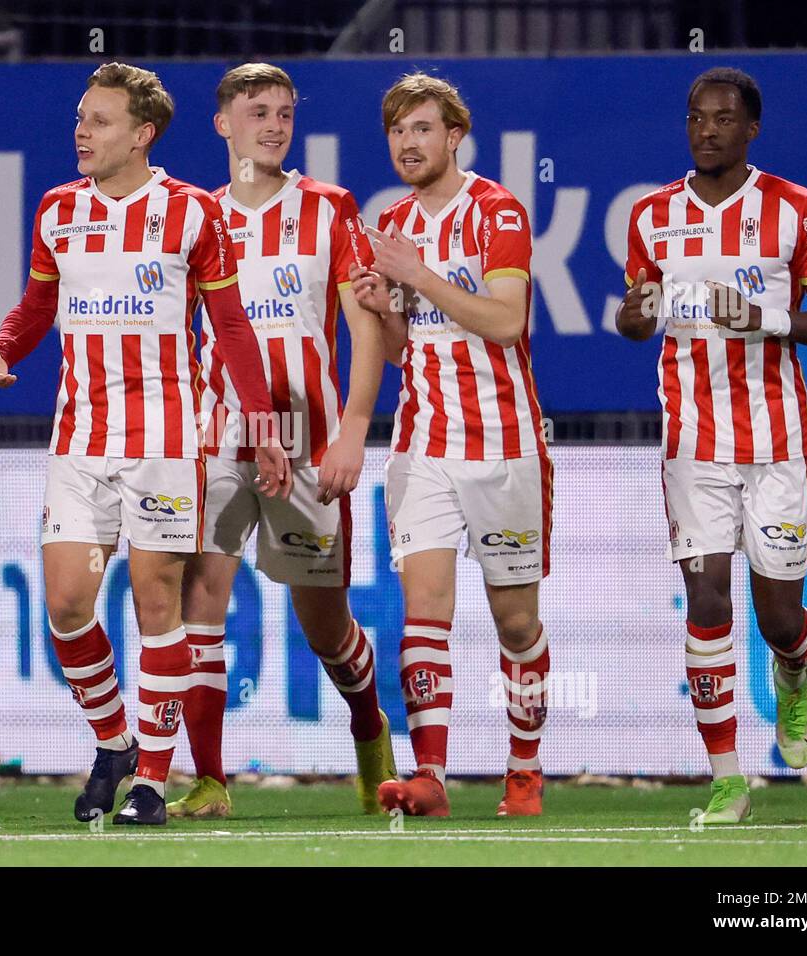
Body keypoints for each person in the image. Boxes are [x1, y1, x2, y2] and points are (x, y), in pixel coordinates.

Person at [0, 62, 288, 826]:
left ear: (143, 135)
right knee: (66, 605)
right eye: (81, 118)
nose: (82, 131)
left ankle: (149, 779)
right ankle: (114, 740)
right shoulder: (57, 210)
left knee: (157, 604)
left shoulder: (190, 215)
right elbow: (38, 306)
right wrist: (4, 348)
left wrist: (264, 424)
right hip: (79, 441)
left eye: (101, 120)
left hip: (164, 442)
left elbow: (233, 327)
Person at [616, 67, 807, 824]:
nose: (707, 130)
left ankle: (794, 675)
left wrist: (765, 319)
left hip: (780, 444)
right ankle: (727, 778)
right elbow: (632, 319)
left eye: (723, 119)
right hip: (693, 443)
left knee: (777, 614)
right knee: (706, 595)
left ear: (752, 129)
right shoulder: (653, 215)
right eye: (696, 117)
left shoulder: (796, 208)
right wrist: (639, 309)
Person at [168, 62, 394, 819]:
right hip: (220, 434)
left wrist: (355, 432)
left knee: (325, 627)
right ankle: (209, 779)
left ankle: (369, 729)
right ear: (222, 124)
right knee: (201, 598)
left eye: (285, 113)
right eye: (257, 111)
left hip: (307, 442)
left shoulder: (330, 208)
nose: (273, 124)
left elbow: (365, 326)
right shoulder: (194, 216)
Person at [350, 73, 553, 818]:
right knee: (424, 610)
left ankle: (524, 772)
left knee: (516, 623)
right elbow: (414, 349)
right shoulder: (393, 224)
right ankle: (429, 776)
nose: (409, 143)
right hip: (423, 442)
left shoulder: (497, 212)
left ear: (454, 135)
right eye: (398, 131)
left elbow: (505, 321)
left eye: (423, 129)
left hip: (503, 441)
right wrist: (387, 308)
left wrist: (416, 276)